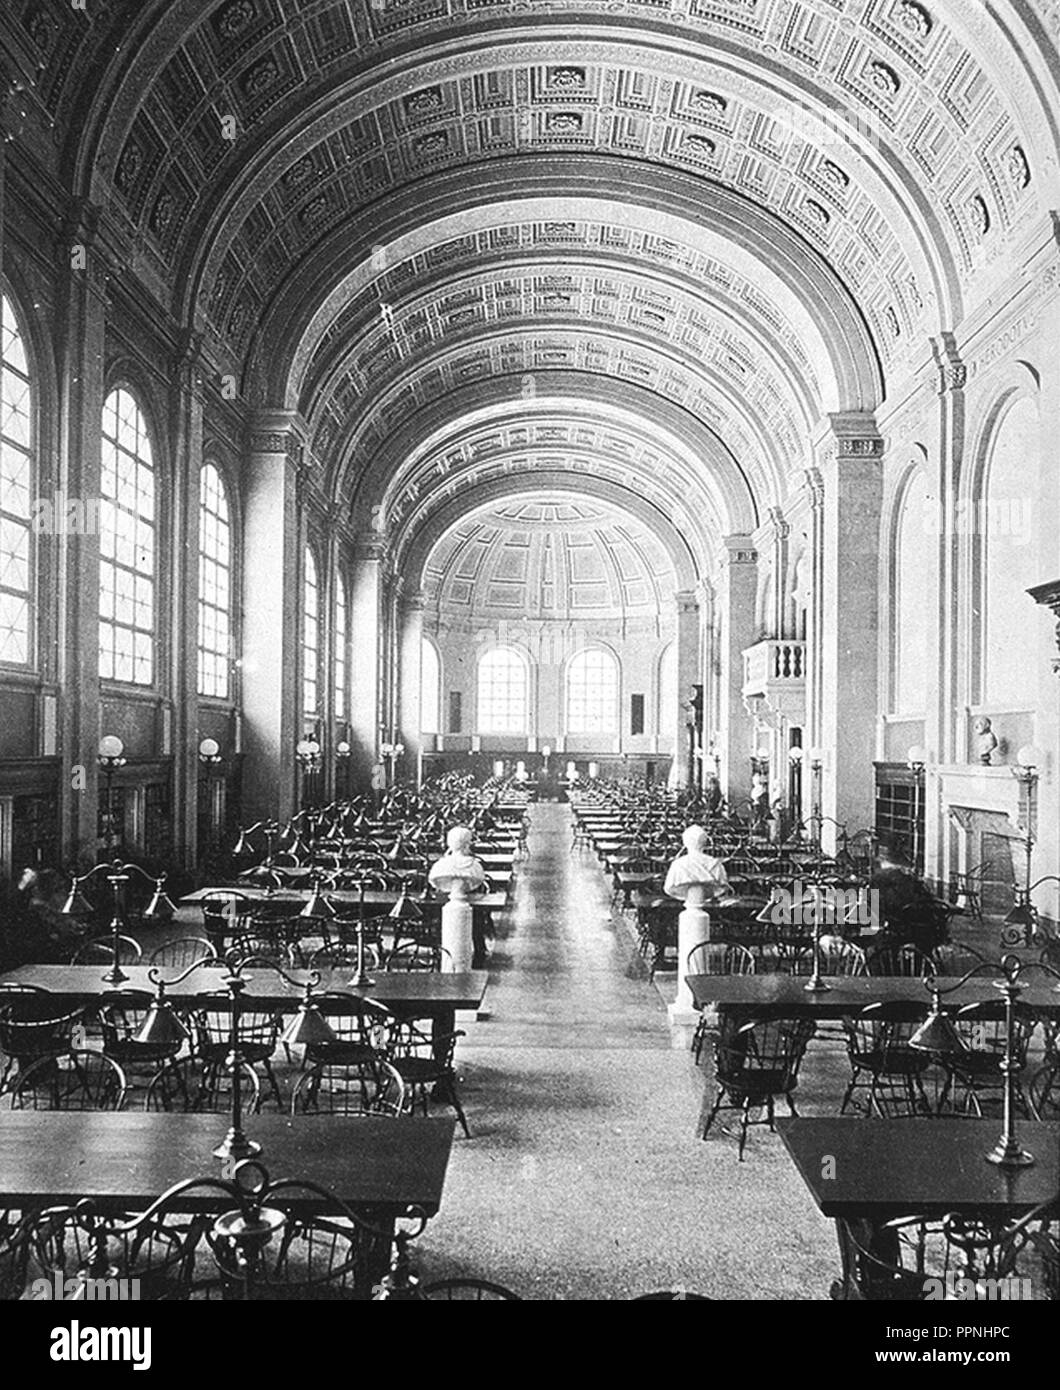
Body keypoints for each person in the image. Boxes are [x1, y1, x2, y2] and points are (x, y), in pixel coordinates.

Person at [869, 840, 949, 955]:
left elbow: (874, 911)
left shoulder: (879, 881)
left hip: (895, 931)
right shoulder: (911, 881)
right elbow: (928, 900)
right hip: (923, 931)